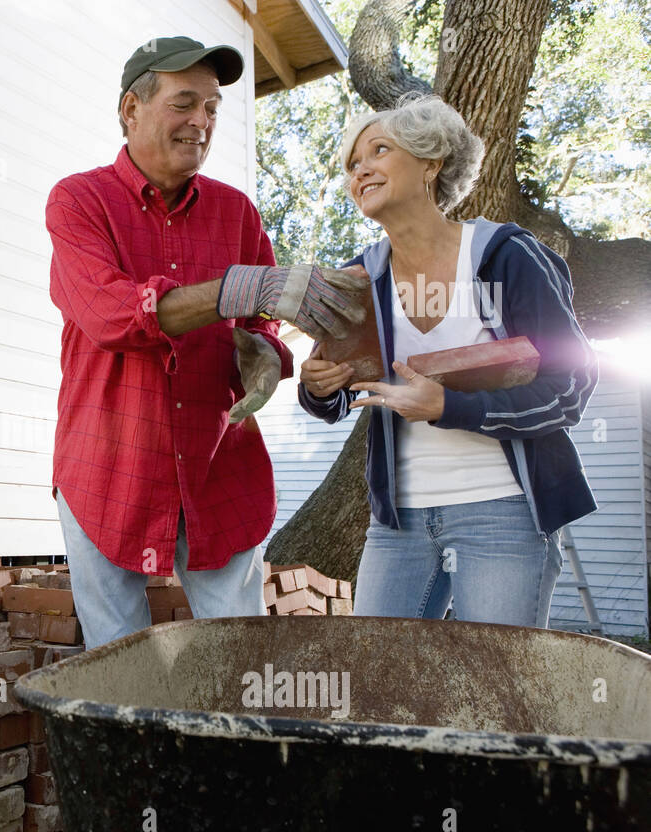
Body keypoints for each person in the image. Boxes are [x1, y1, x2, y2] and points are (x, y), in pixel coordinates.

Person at [47, 36, 369, 648]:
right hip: (107, 463)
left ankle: (227, 748)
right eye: (184, 103)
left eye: (213, 108)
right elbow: (113, 315)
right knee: (118, 664)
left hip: (219, 464)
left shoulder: (237, 213)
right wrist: (234, 291)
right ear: (130, 109)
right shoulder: (78, 202)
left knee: (237, 658)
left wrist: (266, 358)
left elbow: (263, 328)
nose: (202, 122)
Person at [298, 93, 598, 627]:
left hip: (504, 514)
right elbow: (338, 395)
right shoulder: (360, 279)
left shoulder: (507, 257)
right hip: (397, 524)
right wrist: (319, 387)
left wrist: (451, 405)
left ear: (430, 162)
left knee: (493, 691)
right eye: (351, 164)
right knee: (379, 685)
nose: (360, 169)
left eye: (378, 151)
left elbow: (571, 383)